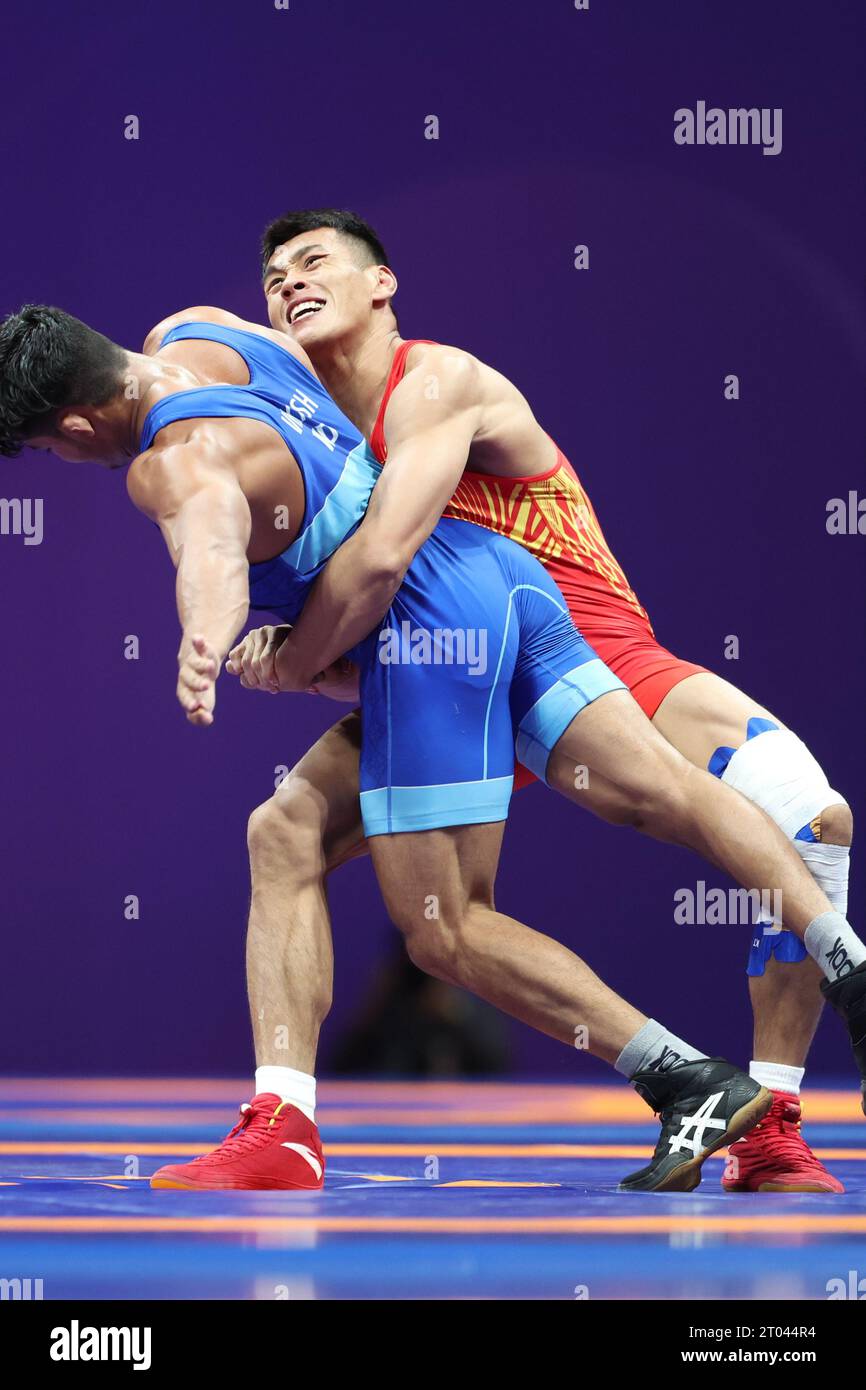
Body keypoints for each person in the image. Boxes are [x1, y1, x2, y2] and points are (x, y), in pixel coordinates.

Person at [3, 301, 862, 1196]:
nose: (62, 460)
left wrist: (202, 644)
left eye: (49, 449)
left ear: (74, 422)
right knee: (301, 827)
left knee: (445, 927)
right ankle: (846, 956)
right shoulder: (202, 331)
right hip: (493, 572)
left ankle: (682, 1077)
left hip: (422, 638)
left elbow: (212, 543)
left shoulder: (169, 464)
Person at [233, 208, 857, 1194]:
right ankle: (283, 1122)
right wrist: (293, 646)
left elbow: (381, 562)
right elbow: (360, 616)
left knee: (814, 819)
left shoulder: (434, 381)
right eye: (271, 277)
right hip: (447, 682)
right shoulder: (307, 434)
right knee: (287, 831)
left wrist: (291, 649)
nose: (287, 284)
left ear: (381, 283)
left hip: (595, 658)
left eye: (311, 263)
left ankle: (768, 1123)